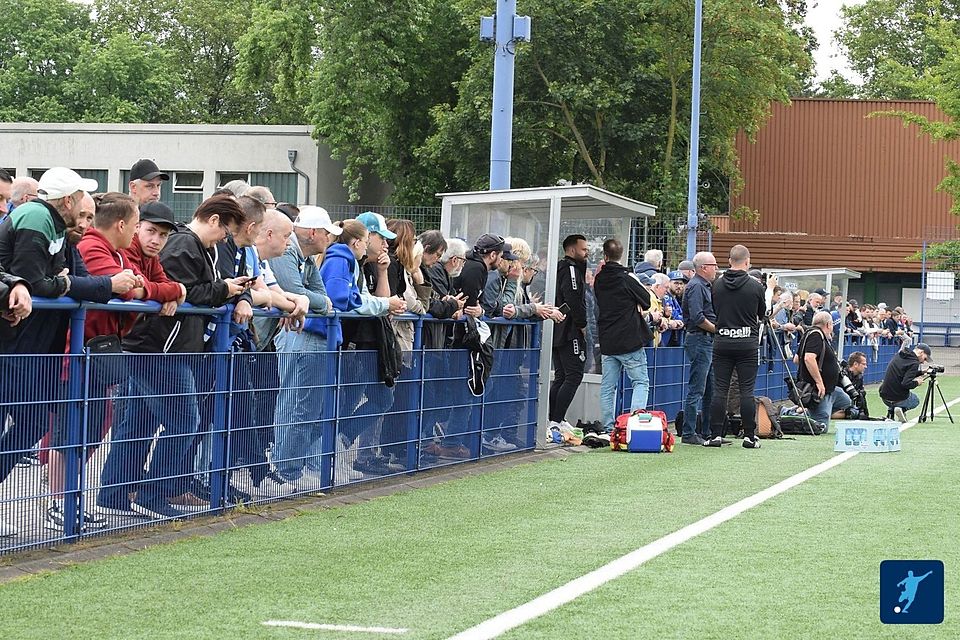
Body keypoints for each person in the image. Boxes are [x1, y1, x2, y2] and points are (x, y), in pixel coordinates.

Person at [120, 195, 248, 519]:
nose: (224, 239)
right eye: (225, 232)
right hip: (163, 347)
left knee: (139, 422)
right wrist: (224, 290)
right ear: (215, 220)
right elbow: (187, 291)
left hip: (164, 345)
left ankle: (116, 493)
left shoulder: (194, 246)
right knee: (183, 421)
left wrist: (230, 291)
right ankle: (149, 493)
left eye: (161, 234)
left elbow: (180, 290)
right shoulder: (185, 245)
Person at [268, 206, 341, 491]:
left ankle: (288, 468)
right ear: (312, 232)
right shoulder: (288, 253)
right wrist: (312, 301)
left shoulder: (306, 258)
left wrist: (310, 301)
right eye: (326, 233)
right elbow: (298, 294)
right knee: (297, 404)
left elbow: (317, 297)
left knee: (302, 404)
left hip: (295, 335)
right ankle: (286, 470)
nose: (329, 239)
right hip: (294, 338)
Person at [706, 244, 767, 449]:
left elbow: (715, 309)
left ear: (729, 261)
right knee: (746, 391)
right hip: (747, 343)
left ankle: (715, 435)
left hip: (722, 341)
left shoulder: (716, 285)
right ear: (747, 262)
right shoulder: (756, 287)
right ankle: (749, 436)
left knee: (720, 390)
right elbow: (761, 314)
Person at [594, 238, 652, 435]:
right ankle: (634, 425)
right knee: (640, 382)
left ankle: (608, 428)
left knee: (608, 386)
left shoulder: (599, 279)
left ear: (605, 256)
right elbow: (646, 300)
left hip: (608, 340)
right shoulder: (627, 278)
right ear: (622, 255)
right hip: (630, 339)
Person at [680, 252, 719, 445]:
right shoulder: (696, 286)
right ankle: (689, 432)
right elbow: (697, 317)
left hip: (705, 339)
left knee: (709, 388)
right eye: (714, 265)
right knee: (697, 388)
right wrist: (717, 330)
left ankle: (706, 431)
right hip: (700, 339)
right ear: (704, 267)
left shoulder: (702, 286)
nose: (716, 269)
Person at [550, 234, 588, 431]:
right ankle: (555, 420)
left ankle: (554, 419)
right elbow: (572, 298)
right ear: (572, 250)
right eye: (584, 249)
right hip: (568, 331)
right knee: (573, 375)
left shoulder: (563, 268)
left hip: (559, 330)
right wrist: (582, 324)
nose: (587, 252)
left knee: (562, 375)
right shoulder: (570, 269)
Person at [795, 311, 851, 431]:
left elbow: (796, 359)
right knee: (821, 427)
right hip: (819, 390)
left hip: (830, 389)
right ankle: (792, 413)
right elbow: (808, 358)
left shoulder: (810, 334)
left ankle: (810, 411)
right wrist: (819, 381)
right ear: (828, 324)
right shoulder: (816, 335)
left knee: (846, 401)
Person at [879, 343, 932, 422]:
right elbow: (906, 383)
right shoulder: (914, 363)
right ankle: (901, 409)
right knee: (915, 400)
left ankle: (891, 412)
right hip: (898, 398)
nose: (923, 362)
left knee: (894, 389)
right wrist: (917, 382)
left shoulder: (899, 355)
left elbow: (902, 373)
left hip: (884, 396)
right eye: (925, 359)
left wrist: (921, 372)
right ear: (921, 352)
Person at [843, 351, 869, 418]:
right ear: (855, 364)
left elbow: (861, 396)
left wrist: (865, 414)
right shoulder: (843, 376)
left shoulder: (859, 377)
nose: (865, 367)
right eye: (863, 364)